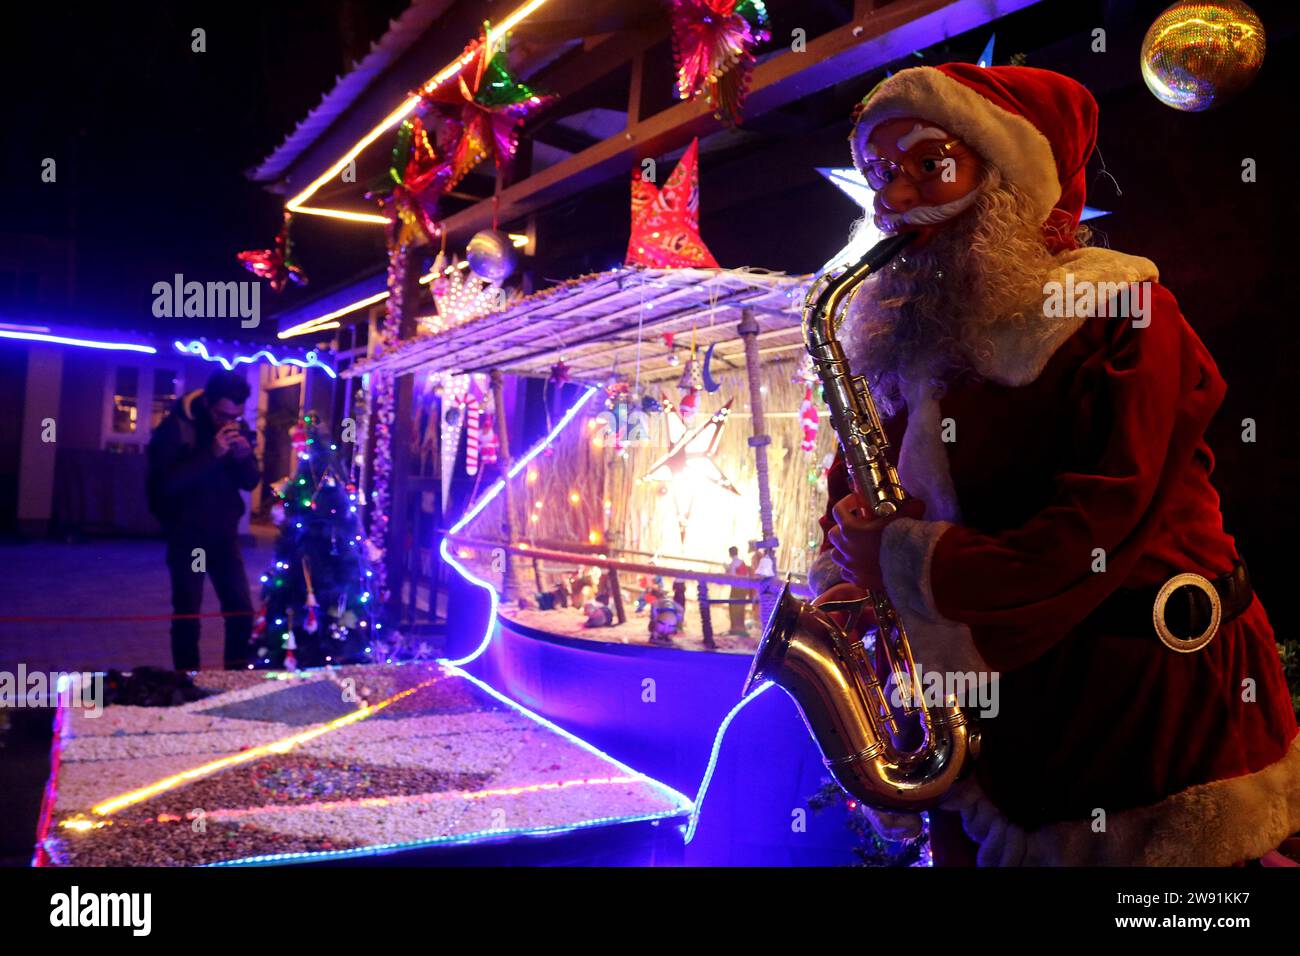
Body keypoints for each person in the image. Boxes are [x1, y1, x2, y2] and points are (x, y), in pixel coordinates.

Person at [807, 63, 1299, 865]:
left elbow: (1096, 527)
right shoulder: (911, 337)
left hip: (1143, 703)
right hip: (1006, 709)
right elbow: (862, 486)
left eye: (929, 166)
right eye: (881, 174)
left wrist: (904, 559)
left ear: (1010, 180)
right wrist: (855, 551)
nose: (892, 203)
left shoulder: (1123, 310)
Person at [146, 370, 260, 671]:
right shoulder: (175, 428)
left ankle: (235, 680)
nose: (228, 422)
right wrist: (211, 454)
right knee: (188, 613)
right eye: (222, 414)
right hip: (188, 537)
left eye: (235, 415)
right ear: (208, 403)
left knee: (240, 610)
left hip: (223, 535)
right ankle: (187, 681)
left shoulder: (238, 427)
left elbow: (249, 482)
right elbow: (166, 485)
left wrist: (244, 458)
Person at [725, 545, 751, 636]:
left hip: (736, 588)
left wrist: (726, 569)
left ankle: (735, 628)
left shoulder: (733, 563)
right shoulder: (742, 562)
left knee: (733, 607)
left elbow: (732, 576)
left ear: (730, 554)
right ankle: (741, 627)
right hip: (744, 588)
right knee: (741, 607)